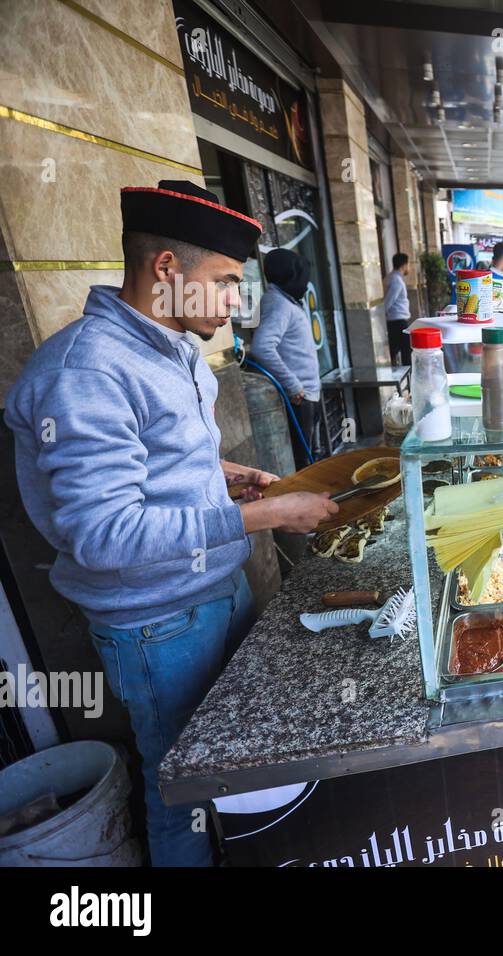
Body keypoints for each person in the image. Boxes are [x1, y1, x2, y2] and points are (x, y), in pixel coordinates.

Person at [4, 180, 339, 866]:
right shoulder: (86, 371)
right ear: (166, 270)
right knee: (184, 791)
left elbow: (158, 461)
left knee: (238, 764)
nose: (233, 302)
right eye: (222, 282)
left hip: (219, 588)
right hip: (156, 624)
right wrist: (267, 513)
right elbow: (103, 536)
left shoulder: (177, 345)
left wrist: (226, 473)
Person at [249, 248, 320, 469]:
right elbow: (262, 347)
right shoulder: (277, 303)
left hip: (308, 392)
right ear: (289, 275)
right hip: (299, 396)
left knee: (310, 454)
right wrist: (292, 384)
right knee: (302, 461)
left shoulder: (287, 301)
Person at [384, 252, 411, 366]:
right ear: (404, 265)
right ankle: (408, 377)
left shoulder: (391, 277)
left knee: (396, 350)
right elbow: (388, 301)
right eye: (408, 265)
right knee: (406, 352)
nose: (408, 268)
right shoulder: (396, 280)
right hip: (398, 321)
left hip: (395, 320)